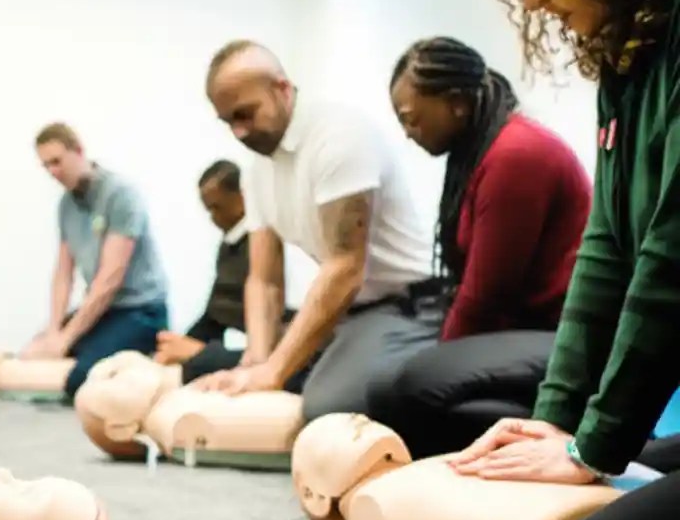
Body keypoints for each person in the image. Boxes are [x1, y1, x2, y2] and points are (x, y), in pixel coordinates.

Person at [448, 0, 679, 520]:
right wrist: (552, 426)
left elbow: (671, 257)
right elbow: (609, 244)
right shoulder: (628, 56)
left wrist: (595, 446)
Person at [363, 36, 592, 460]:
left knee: (408, 389)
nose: (408, 134)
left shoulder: (517, 154)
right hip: (523, 332)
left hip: (564, 337)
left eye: (411, 119)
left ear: (457, 104)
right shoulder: (480, 151)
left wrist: (435, 362)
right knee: (384, 386)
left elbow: (486, 297)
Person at [195, 40, 438, 422]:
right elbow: (264, 279)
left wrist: (274, 372)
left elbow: (346, 268)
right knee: (222, 372)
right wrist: (257, 360)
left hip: (407, 306)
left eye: (245, 114)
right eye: (228, 121)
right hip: (349, 314)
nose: (238, 132)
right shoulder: (260, 167)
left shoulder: (338, 137)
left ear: (282, 89)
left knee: (326, 405)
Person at [20, 122, 170, 400]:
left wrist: (66, 339)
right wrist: (54, 330)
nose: (53, 172)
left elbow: (109, 280)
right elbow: (63, 273)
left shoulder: (121, 195)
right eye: (45, 166)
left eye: (57, 161)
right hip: (103, 313)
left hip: (140, 311)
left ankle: (149, 359)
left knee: (80, 377)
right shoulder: (66, 206)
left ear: (78, 151)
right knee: (32, 353)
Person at [153, 159, 303, 386]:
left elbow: (277, 325)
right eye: (208, 210)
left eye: (217, 207)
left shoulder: (270, 243)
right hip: (252, 349)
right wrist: (181, 343)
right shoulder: (230, 246)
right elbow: (217, 311)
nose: (213, 218)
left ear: (243, 196)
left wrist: (201, 353)